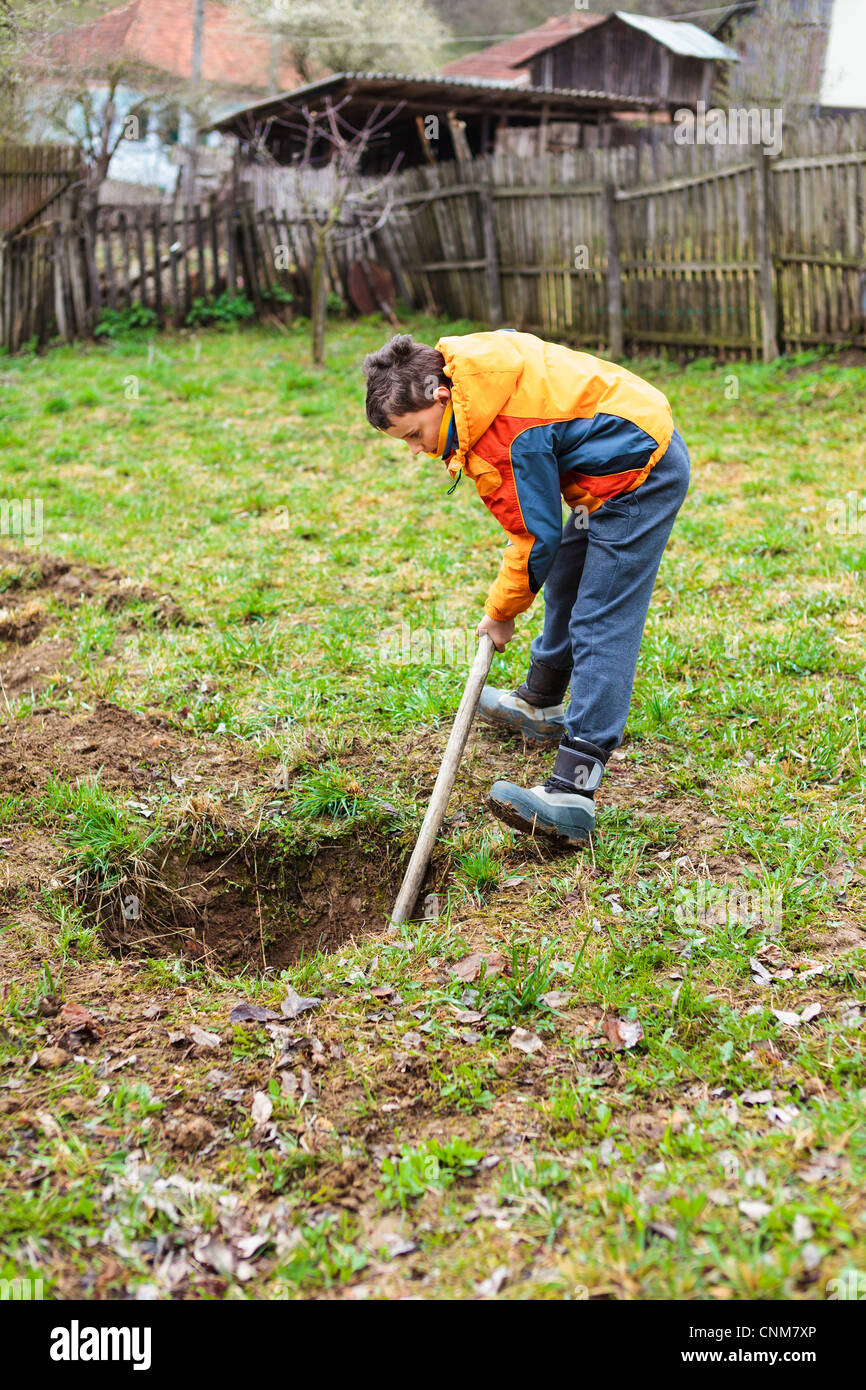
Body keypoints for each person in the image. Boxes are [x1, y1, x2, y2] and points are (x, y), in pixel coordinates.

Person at [363, 329, 690, 846]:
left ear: (440, 397)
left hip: (637, 476)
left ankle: (573, 791)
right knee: (565, 575)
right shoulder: (471, 375)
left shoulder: (503, 431)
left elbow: (533, 537)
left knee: (600, 619)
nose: (414, 450)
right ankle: (541, 701)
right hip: (601, 465)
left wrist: (500, 612)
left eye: (413, 434)